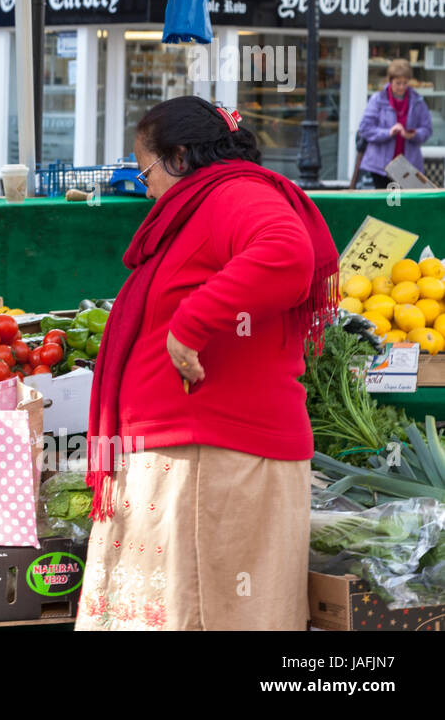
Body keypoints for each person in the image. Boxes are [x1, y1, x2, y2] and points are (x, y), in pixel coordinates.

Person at [75, 95, 338, 631]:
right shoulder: (214, 197)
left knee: (206, 613)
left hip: (215, 457)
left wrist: (188, 327)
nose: (144, 184)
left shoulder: (232, 194)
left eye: (144, 167)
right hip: (198, 452)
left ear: (178, 157)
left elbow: (286, 253)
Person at [356, 58, 433, 188]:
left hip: (407, 167)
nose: (402, 87)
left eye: (405, 83)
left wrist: (412, 134)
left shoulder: (417, 101)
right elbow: (365, 128)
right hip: (380, 166)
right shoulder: (377, 99)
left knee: (404, 206)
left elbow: (427, 129)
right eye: (398, 83)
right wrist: (388, 132)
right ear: (390, 80)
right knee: (385, 205)